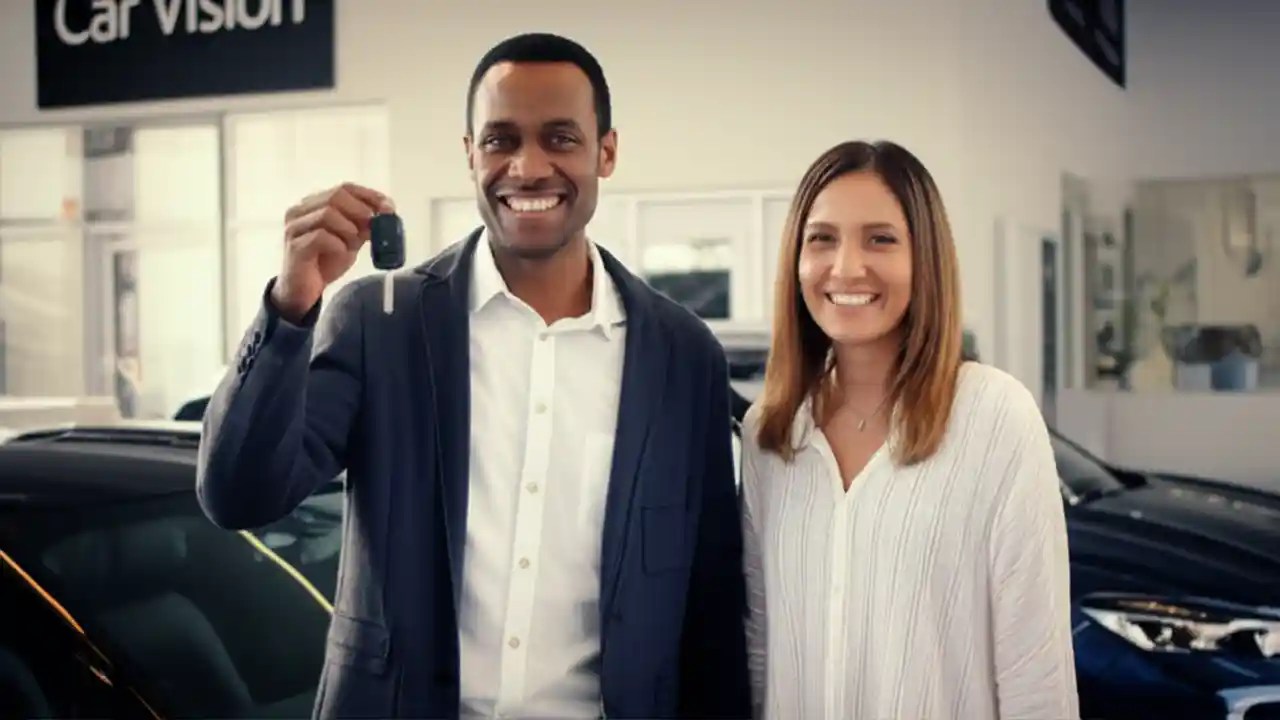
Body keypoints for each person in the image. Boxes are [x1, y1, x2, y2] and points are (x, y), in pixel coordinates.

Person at [196, 32, 750, 720]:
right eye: (500, 140)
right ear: (469, 153)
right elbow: (237, 495)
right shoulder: (381, 323)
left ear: (606, 151)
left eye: (560, 138)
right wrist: (290, 305)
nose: (528, 166)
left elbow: (711, 593)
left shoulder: (680, 353)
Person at [739, 140, 1079, 720]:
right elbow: (761, 647)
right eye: (822, 238)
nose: (846, 267)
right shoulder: (769, 432)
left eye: (881, 238)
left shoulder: (996, 417)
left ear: (926, 258)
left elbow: (1036, 671)